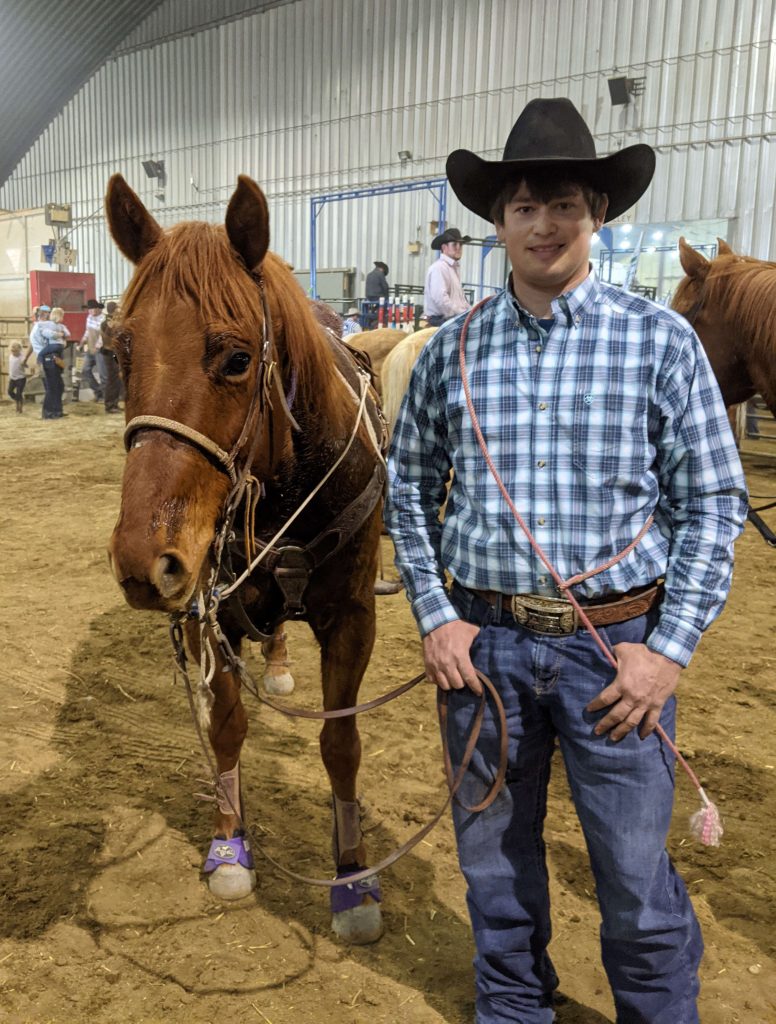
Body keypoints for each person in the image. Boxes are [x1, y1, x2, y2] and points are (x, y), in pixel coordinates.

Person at [386, 97, 747, 1023]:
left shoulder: (660, 343)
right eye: (523, 208)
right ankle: (513, 1011)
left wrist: (667, 651)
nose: (544, 225)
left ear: (596, 213)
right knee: (493, 868)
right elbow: (410, 488)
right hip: (484, 653)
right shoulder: (447, 354)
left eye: (564, 205)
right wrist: (436, 613)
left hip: (615, 657)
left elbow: (711, 504)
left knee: (631, 875)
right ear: (499, 222)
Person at [423, 227, 471, 326]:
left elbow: (460, 299)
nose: (459, 248)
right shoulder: (439, 268)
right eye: (454, 244)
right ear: (444, 248)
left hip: (450, 318)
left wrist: (470, 312)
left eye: (460, 244)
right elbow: (441, 300)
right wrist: (463, 314)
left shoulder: (453, 268)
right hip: (441, 321)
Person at [37, 307, 69, 419]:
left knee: (59, 386)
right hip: (50, 359)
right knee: (52, 387)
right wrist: (58, 334)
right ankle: (48, 413)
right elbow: (45, 334)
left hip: (56, 357)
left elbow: (65, 335)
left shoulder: (56, 326)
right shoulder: (44, 326)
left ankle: (57, 411)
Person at [78, 299, 105, 401]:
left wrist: (98, 345)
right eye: (90, 309)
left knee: (103, 374)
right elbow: (87, 332)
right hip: (90, 348)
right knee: (85, 370)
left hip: (100, 349)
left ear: (98, 309)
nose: (91, 311)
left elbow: (103, 335)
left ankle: (103, 395)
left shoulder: (103, 319)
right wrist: (82, 342)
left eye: (93, 308)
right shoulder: (89, 318)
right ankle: (99, 391)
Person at [100, 301, 123, 413]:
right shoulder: (106, 324)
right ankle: (109, 405)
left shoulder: (116, 323)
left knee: (116, 378)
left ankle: (114, 403)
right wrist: (111, 328)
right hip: (110, 353)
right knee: (112, 378)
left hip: (114, 353)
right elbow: (107, 338)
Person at [365, 260, 390, 326]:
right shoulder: (380, 274)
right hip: (377, 296)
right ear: (382, 269)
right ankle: (381, 317)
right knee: (387, 302)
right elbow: (385, 286)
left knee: (381, 302)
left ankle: (375, 314)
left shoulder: (369, 274)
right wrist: (387, 296)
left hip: (368, 297)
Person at [8, 341, 27, 413]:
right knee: (10, 392)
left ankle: (19, 408)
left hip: (21, 378)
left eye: (15, 350)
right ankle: (18, 400)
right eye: (12, 350)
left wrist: (24, 364)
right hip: (12, 378)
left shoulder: (22, 357)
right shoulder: (10, 356)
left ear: (19, 349)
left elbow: (25, 365)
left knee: (19, 393)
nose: (13, 351)